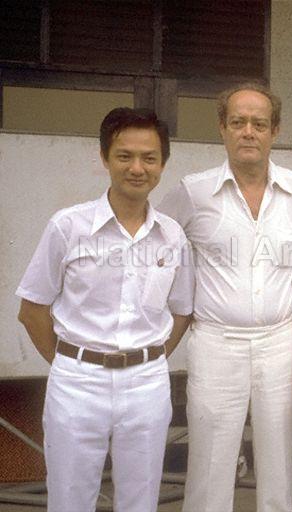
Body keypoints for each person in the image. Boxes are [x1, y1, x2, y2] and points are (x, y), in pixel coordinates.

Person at [16, 107, 194, 512]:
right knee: (70, 497)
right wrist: (72, 362)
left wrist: (148, 360)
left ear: (163, 164)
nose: (137, 168)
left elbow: (182, 310)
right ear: (104, 158)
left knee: (141, 498)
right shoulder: (68, 227)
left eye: (149, 158)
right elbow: (32, 309)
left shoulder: (172, 235)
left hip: (147, 384)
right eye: (124, 156)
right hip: (78, 383)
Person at [158, 82, 292, 512]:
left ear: (275, 131)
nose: (248, 131)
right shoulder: (193, 192)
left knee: (277, 458)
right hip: (216, 341)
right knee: (211, 458)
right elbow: (155, 252)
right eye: (238, 122)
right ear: (222, 128)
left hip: (280, 341)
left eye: (259, 123)